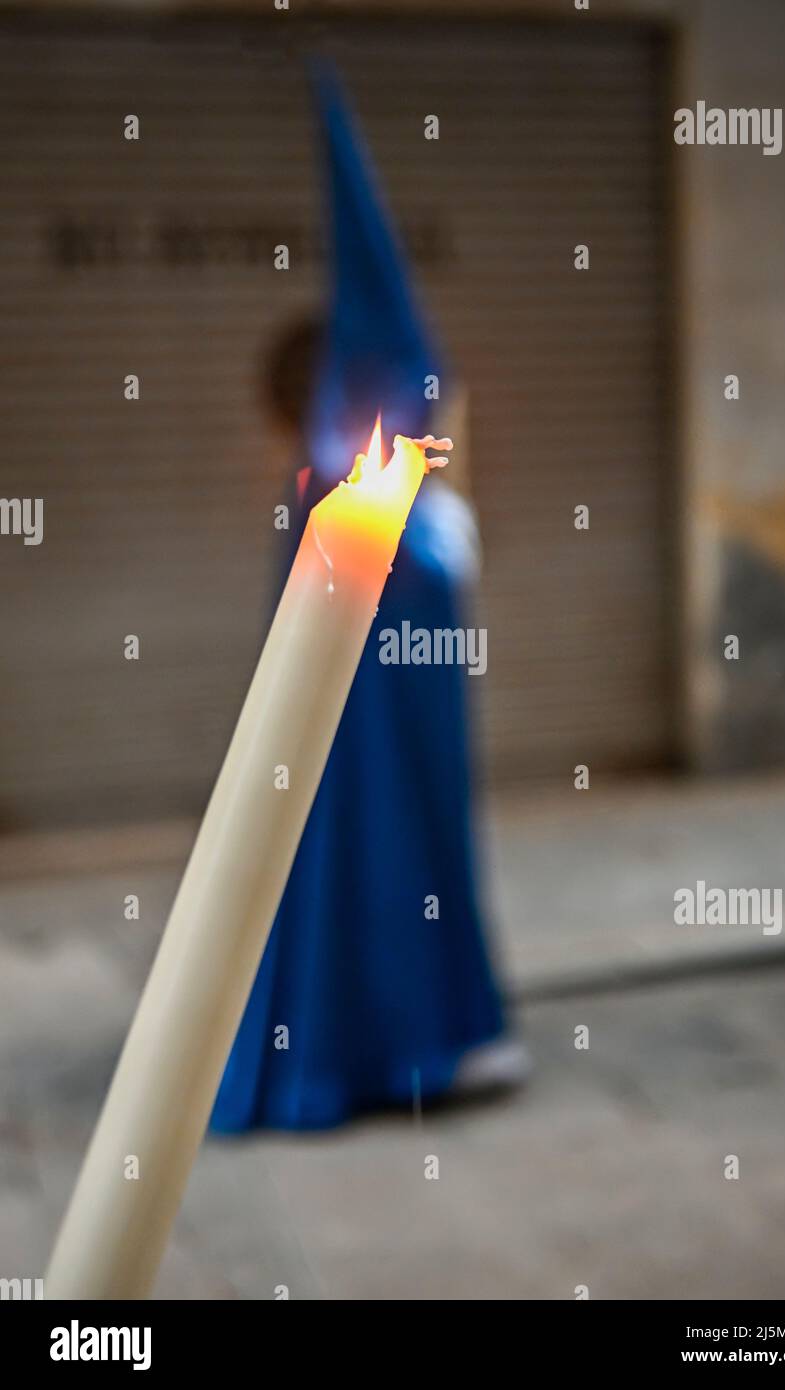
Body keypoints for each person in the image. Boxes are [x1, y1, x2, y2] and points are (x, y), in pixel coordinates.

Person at [209, 318, 526, 1131]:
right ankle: (382, 1048)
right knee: (371, 870)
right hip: (364, 766)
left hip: (402, 755)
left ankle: (401, 1038)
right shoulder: (346, 503)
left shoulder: (367, 498)